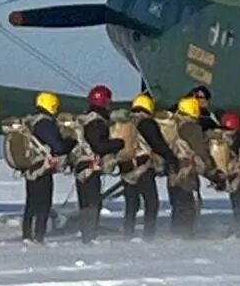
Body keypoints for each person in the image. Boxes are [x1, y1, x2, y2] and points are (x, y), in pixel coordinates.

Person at [21, 91, 75, 243]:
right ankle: (39, 236)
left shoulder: (31, 122)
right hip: (43, 169)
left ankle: (27, 234)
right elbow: (57, 146)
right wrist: (70, 142)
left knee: (31, 203)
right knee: (43, 205)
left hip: (30, 167)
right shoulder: (45, 123)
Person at [123, 93, 178, 239]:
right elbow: (157, 143)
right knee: (151, 202)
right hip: (143, 166)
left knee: (131, 204)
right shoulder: (146, 123)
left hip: (126, 166)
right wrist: (170, 157)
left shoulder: (126, 122)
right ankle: (148, 235)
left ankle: (128, 234)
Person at [76, 84, 124, 243]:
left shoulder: (87, 119)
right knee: (92, 201)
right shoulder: (96, 122)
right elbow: (98, 145)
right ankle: (89, 236)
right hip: (90, 167)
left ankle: (88, 233)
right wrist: (118, 143)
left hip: (83, 166)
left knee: (88, 201)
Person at [167, 96, 203, 237]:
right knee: (189, 205)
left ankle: (176, 233)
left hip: (173, 173)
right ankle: (186, 235)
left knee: (177, 205)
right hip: (187, 174)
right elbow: (201, 153)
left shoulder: (173, 125)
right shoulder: (192, 128)